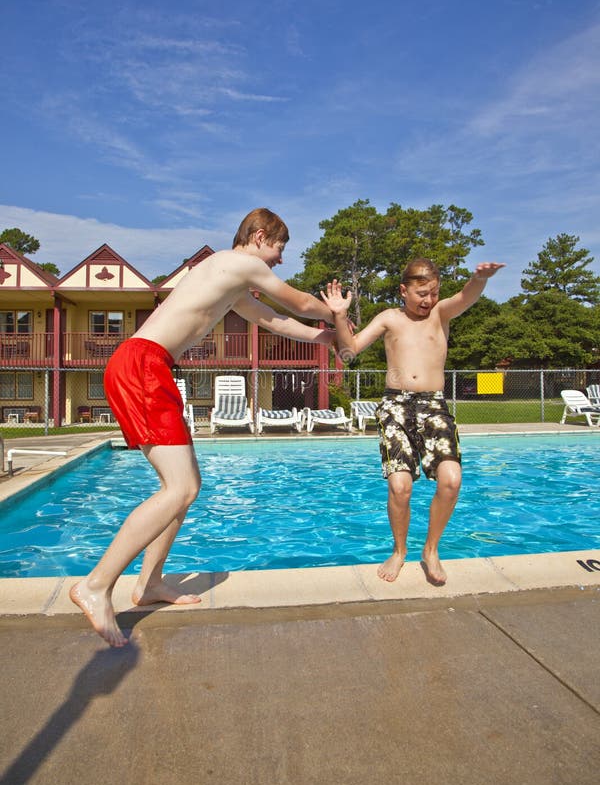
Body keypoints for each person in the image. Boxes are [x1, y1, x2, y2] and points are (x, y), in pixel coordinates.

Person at [70, 208, 337, 646]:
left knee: (185, 486)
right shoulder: (239, 261)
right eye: (279, 248)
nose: (280, 260)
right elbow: (300, 304)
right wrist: (337, 313)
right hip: (142, 365)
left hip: (149, 366)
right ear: (258, 235)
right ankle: (95, 585)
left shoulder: (230, 279)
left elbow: (274, 319)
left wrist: (322, 337)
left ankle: (151, 583)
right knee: (179, 489)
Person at [322, 258, 505, 586]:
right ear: (403, 290)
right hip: (396, 405)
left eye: (433, 292)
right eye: (421, 294)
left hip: (434, 406)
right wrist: (339, 315)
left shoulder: (440, 314)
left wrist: (480, 279)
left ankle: (431, 550)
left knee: (451, 479)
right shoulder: (389, 318)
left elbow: (466, 296)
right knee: (400, 485)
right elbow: (348, 354)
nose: (428, 300)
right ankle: (399, 550)